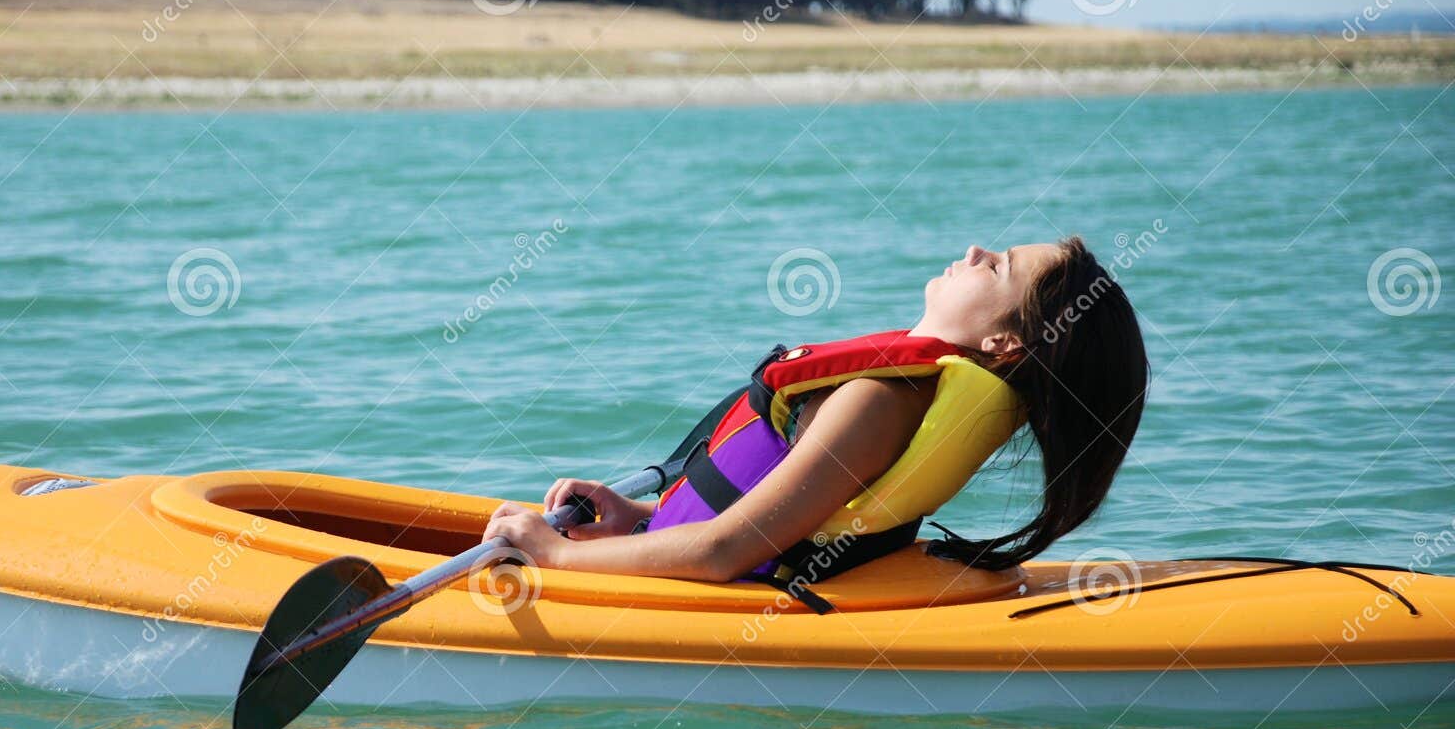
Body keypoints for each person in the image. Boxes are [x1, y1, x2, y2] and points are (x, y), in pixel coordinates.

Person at [483, 237, 1149, 593]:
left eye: (997, 266)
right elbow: (769, 520)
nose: (975, 250)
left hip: (710, 591)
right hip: (682, 563)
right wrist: (643, 520)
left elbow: (724, 552)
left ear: (1004, 345)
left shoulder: (879, 400)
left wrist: (553, 558)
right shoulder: (901, 391)